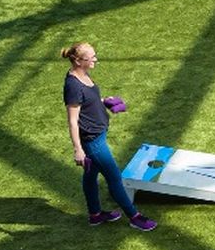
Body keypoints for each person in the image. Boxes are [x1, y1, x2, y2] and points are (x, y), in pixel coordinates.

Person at [61, 43, 156, 231]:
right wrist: (78, 149)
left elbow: (88, 99)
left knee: (90, 176)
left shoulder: (83, 74)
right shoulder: (72, 85)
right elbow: (72, 121)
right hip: (92, 141)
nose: (95, 59)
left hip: (98, 134)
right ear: (79, 61)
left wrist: (105, 102)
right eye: (92, 57)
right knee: (114, 178)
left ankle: (95, 215)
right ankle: (134, 217)